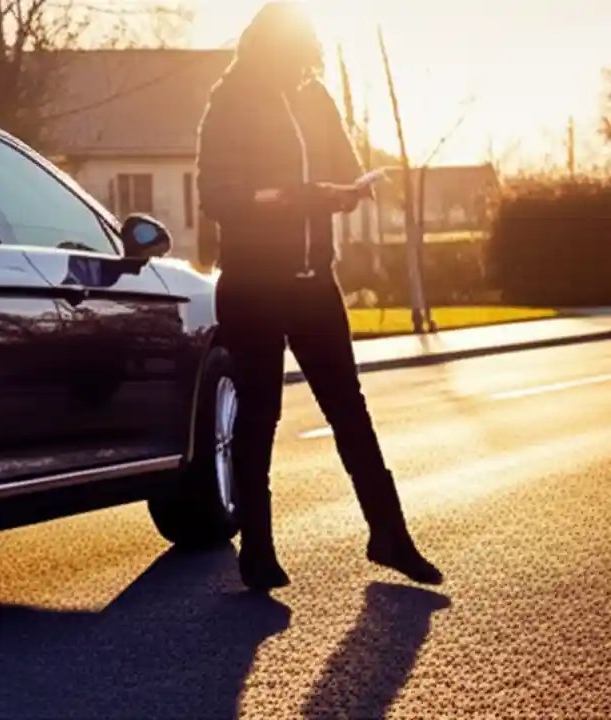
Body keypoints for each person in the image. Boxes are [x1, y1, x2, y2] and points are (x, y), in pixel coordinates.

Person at [195, 1, 442, 591]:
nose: (304, 63)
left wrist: (351, 190)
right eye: (295, 51)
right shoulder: (230, 101)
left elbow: (344, 166)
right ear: (266, 46)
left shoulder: (315, 99)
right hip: (254, 282)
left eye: (308, 52)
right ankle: (257, 550)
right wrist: (295, 196)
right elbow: (218, 195)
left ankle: (390, 536)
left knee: (349, 409)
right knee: (260, 414)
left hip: (314, 282)